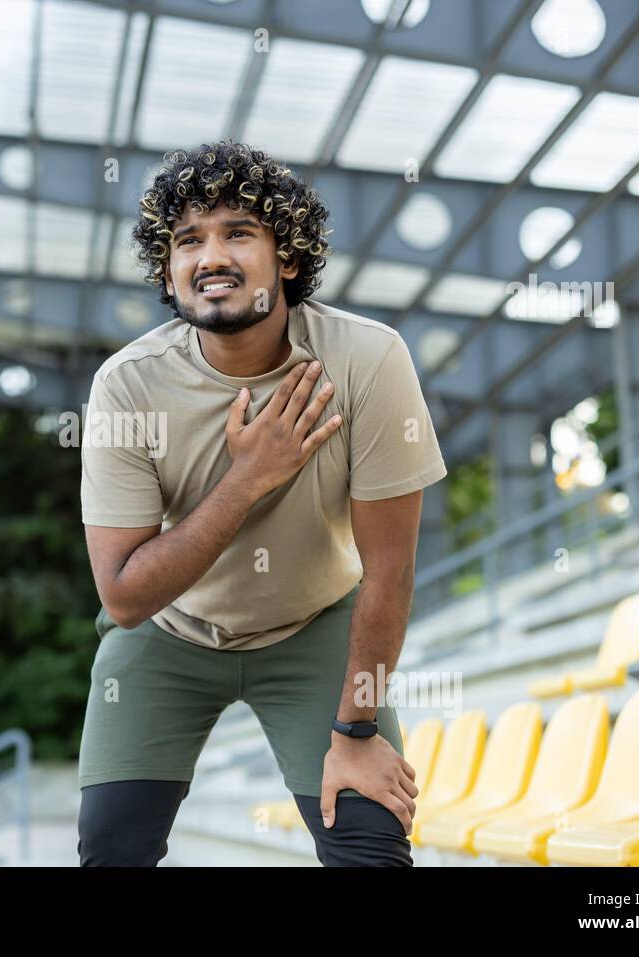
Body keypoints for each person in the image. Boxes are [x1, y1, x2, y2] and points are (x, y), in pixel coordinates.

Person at [76, 140, 448, 866]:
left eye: (238, 231)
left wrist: (359, 731)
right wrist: (249, 478)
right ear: (169, 269)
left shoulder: (367, 360)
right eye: (188, 240)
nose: (210, 255)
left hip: (316, 627)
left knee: (373, 848)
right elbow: (122, 596)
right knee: (111, 849)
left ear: (288, 257)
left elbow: (390, 571)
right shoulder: (127, 386)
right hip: (168, 635)